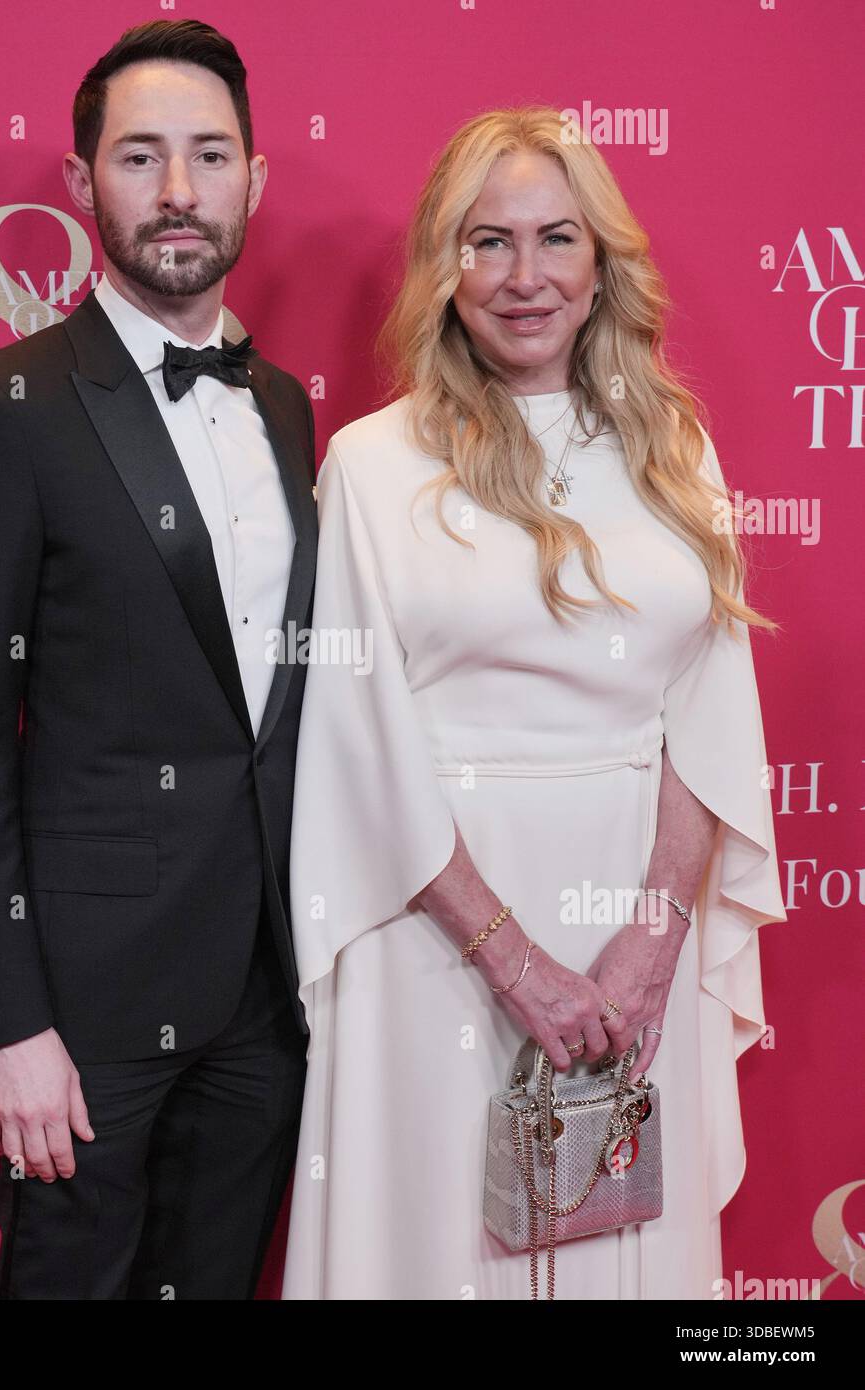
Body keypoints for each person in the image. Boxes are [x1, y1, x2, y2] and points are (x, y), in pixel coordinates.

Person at [281, 106, 787, 1300]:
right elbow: (358, 742)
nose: (523, 277)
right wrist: (516, 965)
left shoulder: (675, 450)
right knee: (438, 1249)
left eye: (554, 238)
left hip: (632, 922)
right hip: (433, 925)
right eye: (485, 242)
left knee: (619, 1248)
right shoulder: (371, 461)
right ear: (441, 269)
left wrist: (650, 944)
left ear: (600, 258)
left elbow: (704, 717)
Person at [0, 20, 316, 1299]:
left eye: (210, 155)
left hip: (270, 991)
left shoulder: (289, 405)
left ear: (258, 178)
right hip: (83, 1006)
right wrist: (10, 1026)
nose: (180, 191)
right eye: (141, 158)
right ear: (82, 186)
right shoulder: (3, 409)